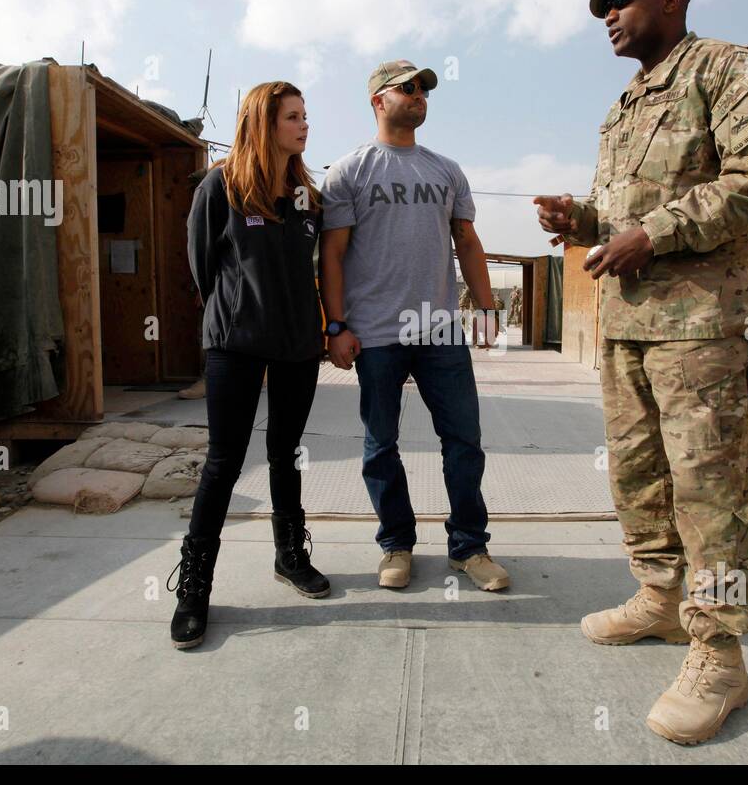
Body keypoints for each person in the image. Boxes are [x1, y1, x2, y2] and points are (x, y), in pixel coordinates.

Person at [536, 0, 748, 743]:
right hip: (629, 327)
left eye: (620, 0)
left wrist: (653, 234)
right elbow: (628, 211)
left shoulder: (727, 68)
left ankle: (719, 655)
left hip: (706, 328)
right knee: (640, 476)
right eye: (601, 6)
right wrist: (581, 219)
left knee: (711, 490)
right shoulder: (624, 106)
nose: (608, 16)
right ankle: (658, 600)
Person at [319, 60, 510, 593]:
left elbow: (468, 242)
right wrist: (335, 325)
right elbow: (331, 255)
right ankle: (395, 545)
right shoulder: (349, 171)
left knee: (464, 442)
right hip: (376, 332)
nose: (420, 95)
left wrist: (488, 307)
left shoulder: (446, 169)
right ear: (378, 101)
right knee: (381, 445)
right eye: (408, 88)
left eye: (425, 88)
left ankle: (469, 547)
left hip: (442, 329)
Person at [169, 81, 331, 651]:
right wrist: (240, 312)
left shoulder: (309, 194)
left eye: (305, 116)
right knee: (223, 461)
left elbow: (314, 267)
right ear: (264, 123)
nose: (304, 126)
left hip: (298, 345)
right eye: (293, 117)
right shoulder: (222, 185)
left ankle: (290, 556)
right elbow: (201, 267)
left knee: (285, 454)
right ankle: (195, 588)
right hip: (235, 344)